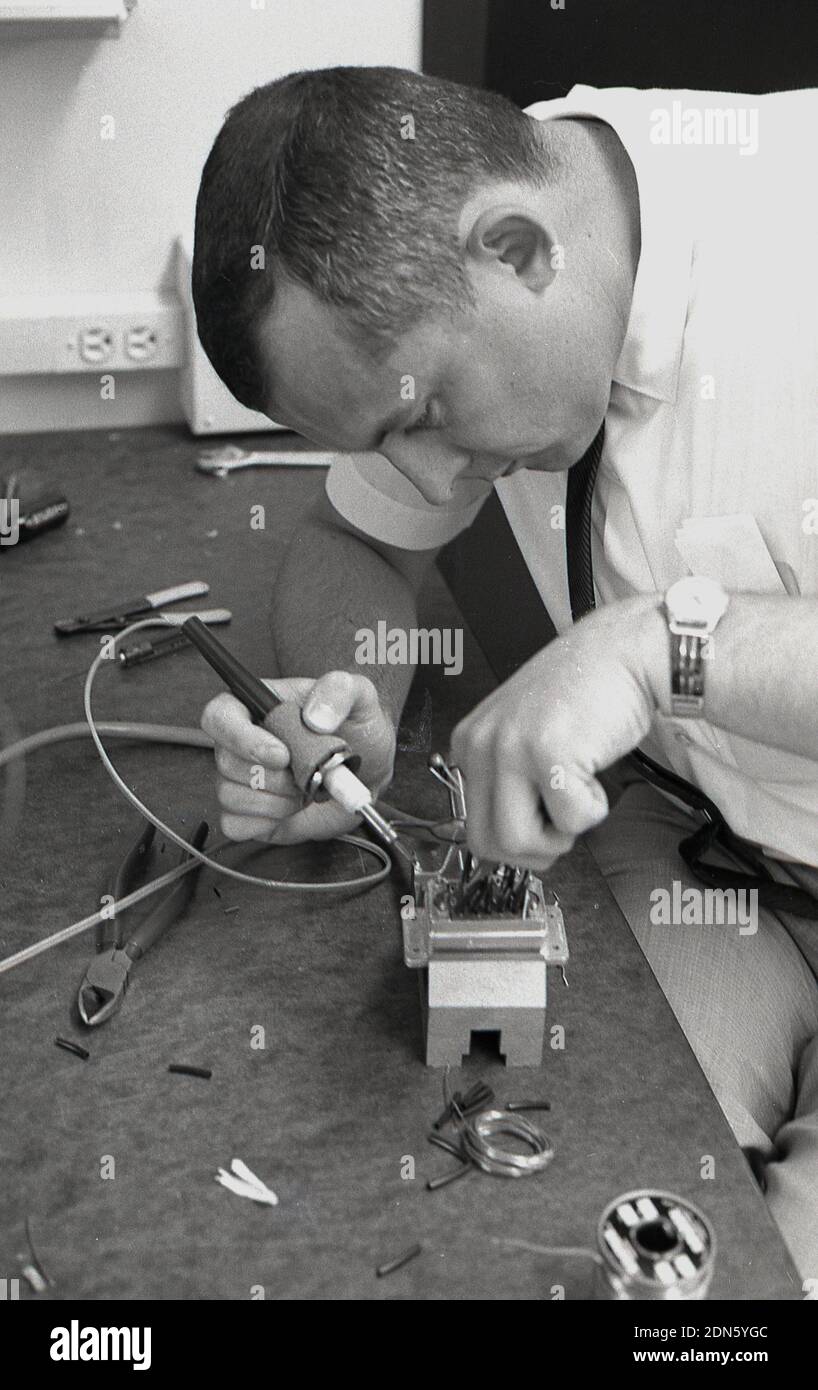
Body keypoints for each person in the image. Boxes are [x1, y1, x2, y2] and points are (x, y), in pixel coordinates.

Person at [191, 67, 818, 1279]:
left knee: (758, 1288)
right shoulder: (489, 283)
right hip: (706, 851)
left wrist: (652, 651)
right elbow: (349, 541)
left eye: (419, 414)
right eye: (383, 439)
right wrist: (338, 704)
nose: (429, 482)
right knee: (549, 1211)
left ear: (519, 249)